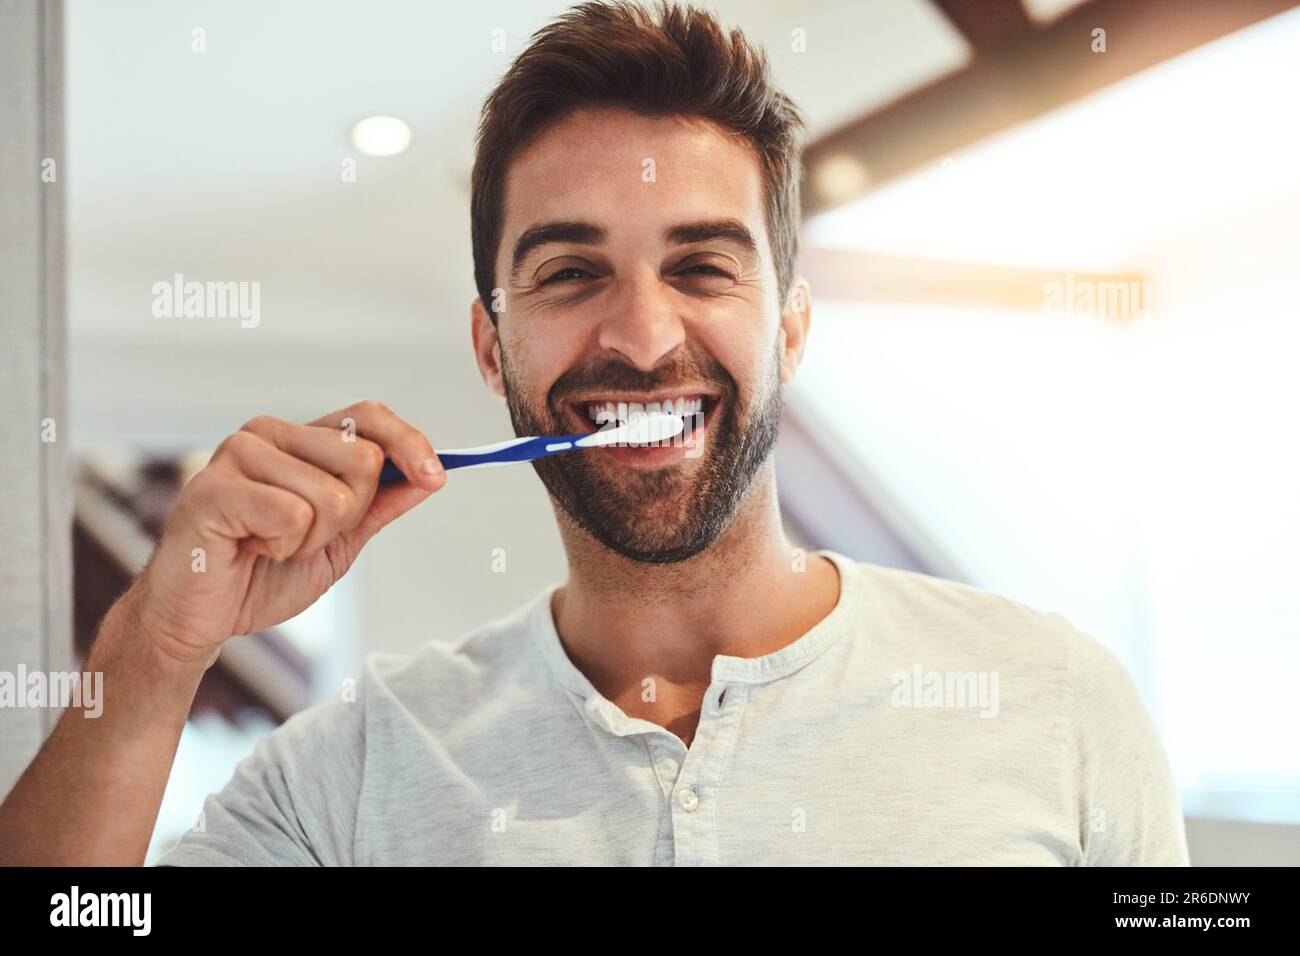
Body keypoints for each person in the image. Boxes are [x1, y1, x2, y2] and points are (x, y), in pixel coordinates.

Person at [0, 0, 1188, 866]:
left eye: (701, 265)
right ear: (489, 347)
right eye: (571, 272)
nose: (639, 331)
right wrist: (155, 649)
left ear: (790, 330)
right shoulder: (355, 770)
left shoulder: (1057, 702)